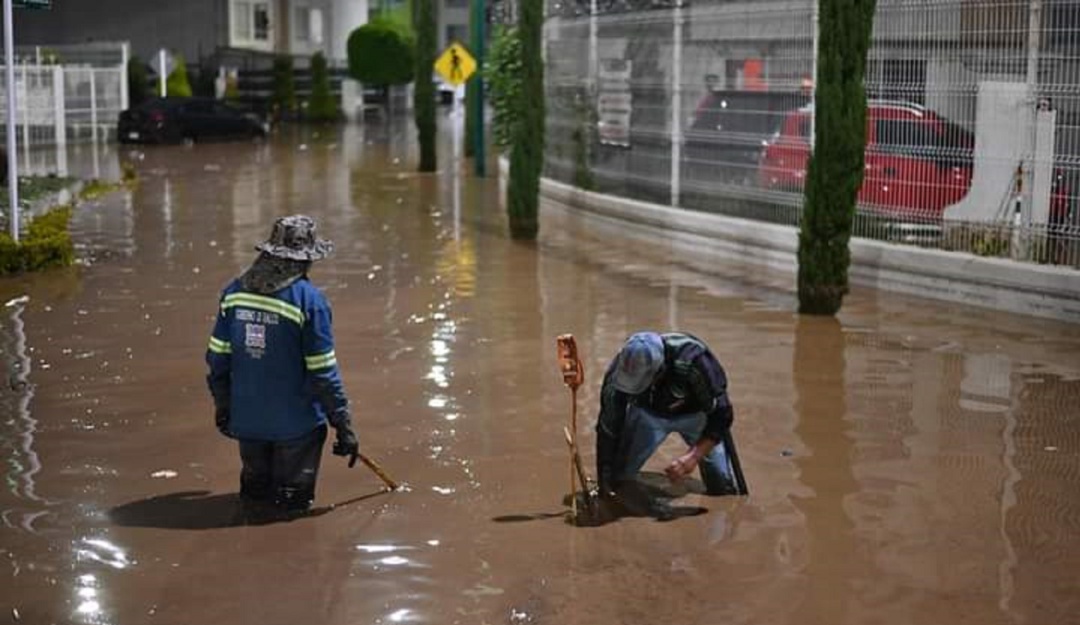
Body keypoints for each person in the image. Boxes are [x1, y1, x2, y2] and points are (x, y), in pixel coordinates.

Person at [205, 215, 359, 512]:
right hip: (296, 427)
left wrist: (223, 405)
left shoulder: (233, 293)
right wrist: (343, 424)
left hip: (246, 421)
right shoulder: (310, 302)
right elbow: (323, 373)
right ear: (305, 260)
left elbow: (217, 359)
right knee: (291, 508)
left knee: (253, 497)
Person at [595, 331, 737, 498]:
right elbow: (609, 427)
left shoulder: (692, 360)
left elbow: (723, 413)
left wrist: (693, 457)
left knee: (723, 486)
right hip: (648, 414)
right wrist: (604, 479)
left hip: (697, 417)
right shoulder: (618, 372)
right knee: (618, 477)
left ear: (660, 370)